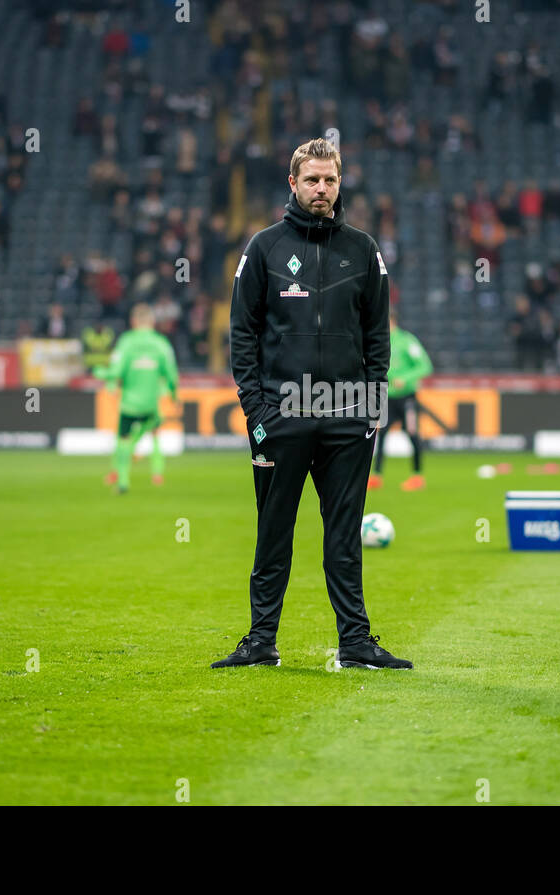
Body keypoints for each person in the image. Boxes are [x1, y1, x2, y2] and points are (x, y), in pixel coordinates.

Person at [218, 137, 411, 670]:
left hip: (348, 414)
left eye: (329, 180)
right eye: (312, 180)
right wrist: (257, 412)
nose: (321, 189)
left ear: (340, 182)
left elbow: (377, 335)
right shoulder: (264, 248)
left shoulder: (363, 249)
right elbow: (242, 334)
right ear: (293, 184)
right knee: (273, 532)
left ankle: (356, 643)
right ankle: (260, 642)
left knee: (344, 536)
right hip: (282, 414)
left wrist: (372, 403)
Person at [94, 303, 178, 494]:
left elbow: (115, 371)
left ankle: (122, 481)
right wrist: (174, 395)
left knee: (123, 440)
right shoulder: (161, 344)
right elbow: (172, 374)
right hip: (151, 405)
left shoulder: (126, 342)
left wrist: (100, 373)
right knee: (155, 436)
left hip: (129, 405)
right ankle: (157, 474)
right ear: (152, 321)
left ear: (133, 321)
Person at [368, 308, 432, 491]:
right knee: (379, 437)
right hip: (386, 398)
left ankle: (417, 476)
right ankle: (376, 476)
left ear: (392, 320)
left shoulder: (406, 341)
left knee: (413, 434)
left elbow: (425, 366)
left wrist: (405, 378)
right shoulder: (377, 341)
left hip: (407, 399)